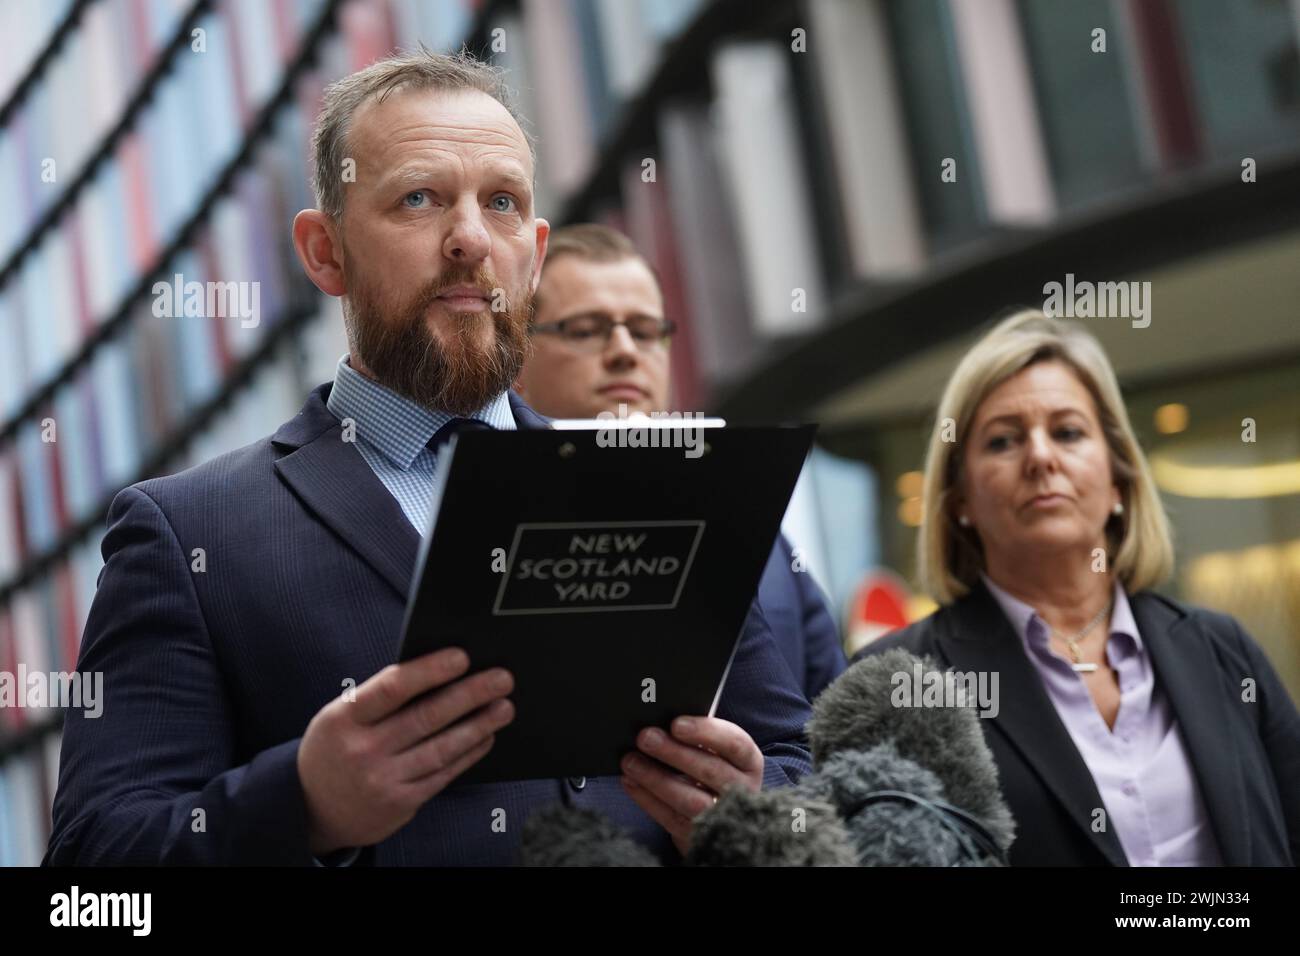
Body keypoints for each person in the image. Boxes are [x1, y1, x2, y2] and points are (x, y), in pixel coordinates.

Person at [44, 50, 813, 867]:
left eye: (504, 203)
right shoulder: (188, 532)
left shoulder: (664, 485)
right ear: (324, 252)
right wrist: (305, 804)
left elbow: (796, 773)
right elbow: (93, 879)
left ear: (537, 251)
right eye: (419, 198)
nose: (471, 240)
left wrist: (747, 816)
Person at [854, 309, 1300, 866]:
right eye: (1002, 441)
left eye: (1067, 432)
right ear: (961, 497)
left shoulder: (1221, 649)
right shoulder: (897, 684)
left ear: (1117, 479)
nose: (1041, 457)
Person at [516, 223, 846, 701]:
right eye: (586, 331)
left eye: (646, 331)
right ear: (517, 358)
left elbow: (835, 734)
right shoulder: (486, 519)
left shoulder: (759, 534)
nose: (625, 352)